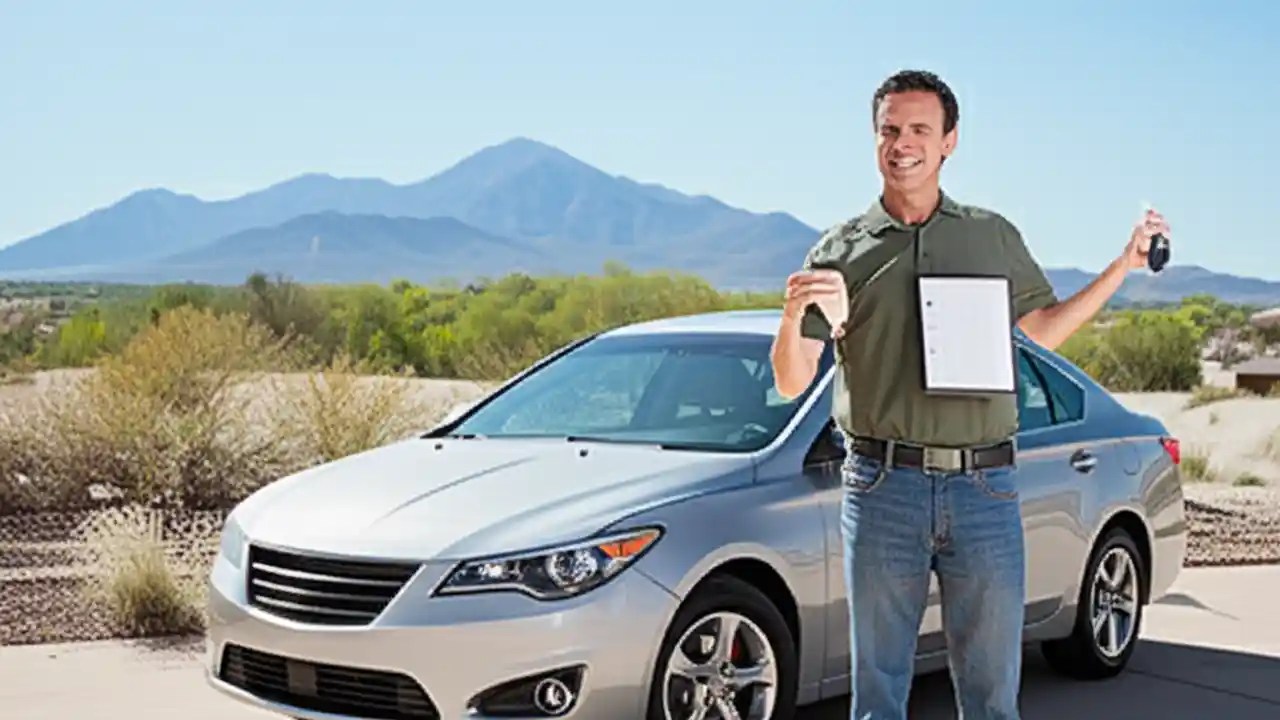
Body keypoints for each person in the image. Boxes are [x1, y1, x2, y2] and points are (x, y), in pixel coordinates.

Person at [770, 69, 1171, 719]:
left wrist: (1122, 266)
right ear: (874, 139)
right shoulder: (839, 251)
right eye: (890, 130)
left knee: (990, 697)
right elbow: (792, 379)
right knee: (876, 697)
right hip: (880, 488)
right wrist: (793, 315)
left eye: (920, 130)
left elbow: (1044, 331)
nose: (904, 143)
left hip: (985, 490)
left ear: (950, 141)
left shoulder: (991, 237)